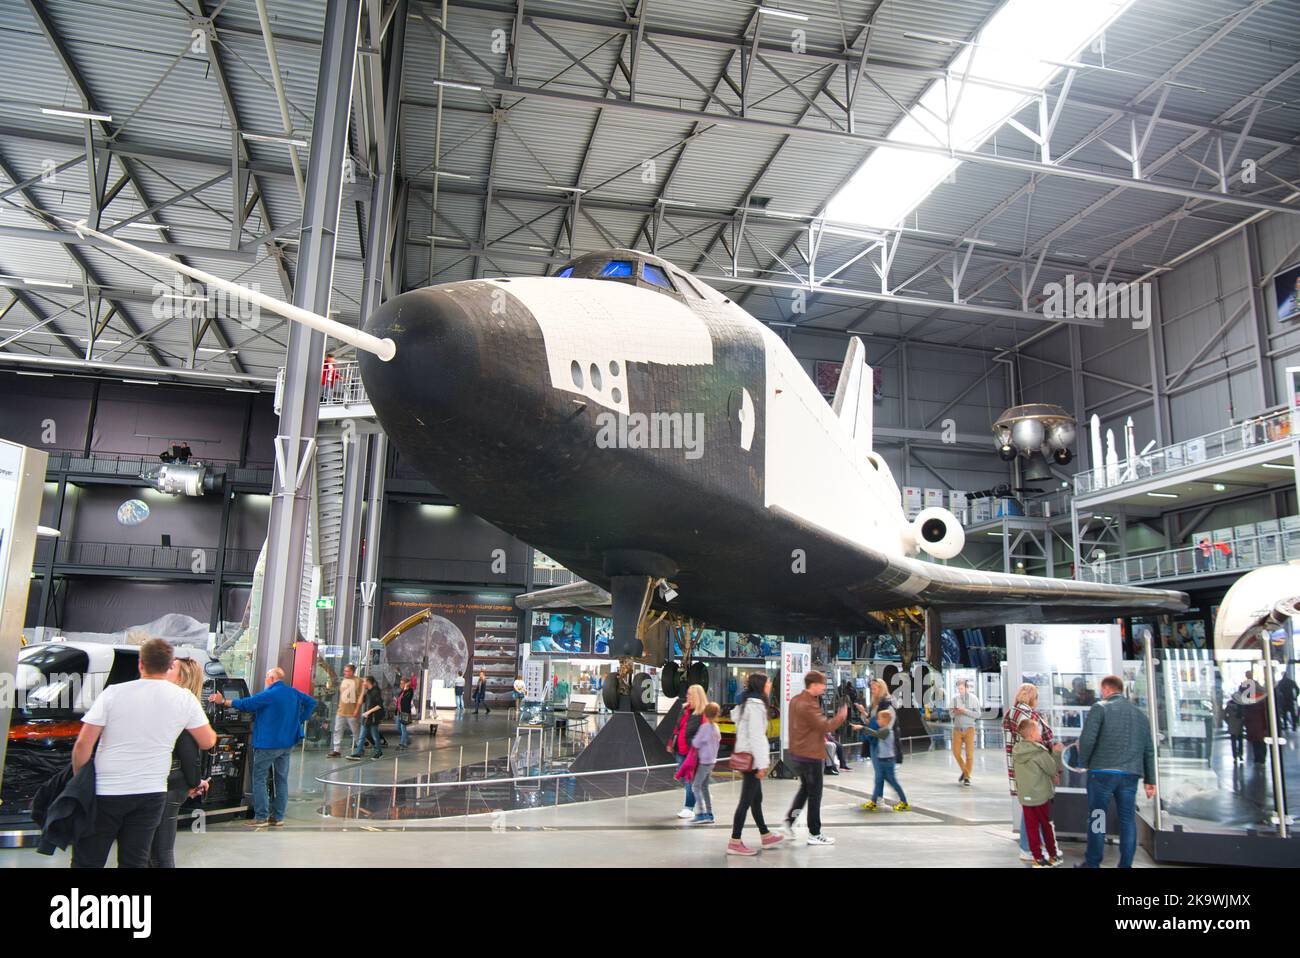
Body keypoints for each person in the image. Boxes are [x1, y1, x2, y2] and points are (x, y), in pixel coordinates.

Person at [70, 638, 217, 867]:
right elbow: (208, 741)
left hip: (106, 790)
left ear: (140, 664)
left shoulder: (113, 693)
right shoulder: (185, 699)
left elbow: (83, 745)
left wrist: (81, 779)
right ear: (169, 665)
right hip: (151, 792)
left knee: (89, 857)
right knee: (136, 859)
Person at [211, 666, 316, 827]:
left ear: (272, 678)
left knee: (259, 779)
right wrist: (298, 720)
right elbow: (311, 702)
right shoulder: (293, 693)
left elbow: (246, 703)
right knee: (281, 780)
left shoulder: (269, 694)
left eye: (267, 677)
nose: (265, 680)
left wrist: (223, 701)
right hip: (286, 744)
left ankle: (261, 817)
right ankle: (278, 817)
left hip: (267, 744)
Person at [1077, 675, 1155, 868]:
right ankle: (1125, 865)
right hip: (1130, 775)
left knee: (1098, 817)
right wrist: (1150, 780)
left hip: (1102, 772)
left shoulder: (1100, 708)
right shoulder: (1140, 715)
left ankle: (1093, 863)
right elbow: (1149, 749)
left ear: (1106, 690)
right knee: (1128, 820)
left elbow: (1088, 740)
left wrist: (1084, 762)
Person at [149, 657, 210, 868]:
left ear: (182, 677)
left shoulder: (183, 705)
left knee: (160, 851)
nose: (165, 668)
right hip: (162, 783)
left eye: (172, 667)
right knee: (152, 850)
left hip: (170, 784)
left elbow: (189, 752)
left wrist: (194, 782)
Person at [784, 670, 847, 845]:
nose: (824, 687)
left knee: (805, 790)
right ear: (814, 684)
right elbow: (824, 726)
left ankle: (790, 821)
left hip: (798, 753)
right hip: (810, 755)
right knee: (815, 794)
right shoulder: (808, 704)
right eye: (822, 684)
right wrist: (841, 717)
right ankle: (814, 832)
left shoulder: (796, 700)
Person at [728, 673, 783, 856]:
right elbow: (757, 737)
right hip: (752, 759)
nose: (770, 685)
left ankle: (765, 835)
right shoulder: (757, 706)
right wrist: (762, 764)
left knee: (756, 799)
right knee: (745, 801)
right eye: (767, 682)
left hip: (746, 755)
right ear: (761, 686)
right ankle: (735, 841)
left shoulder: (745, 705)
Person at [1003, 682, 1056, 862]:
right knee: (1035, 809)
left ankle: (1032, 847)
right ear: (1033, 698)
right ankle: (1030, 848)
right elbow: (1043, 739)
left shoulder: (1010, 713)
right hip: (1035, 767)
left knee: (1028, 808)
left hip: (1019, 765)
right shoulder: (1031, 717)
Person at [1011, 719, 1065, 867]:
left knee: (1031, 827)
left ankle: (1037, 858)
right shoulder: (1038, 752)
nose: (1040, 733)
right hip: (1041, 796)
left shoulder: (1017, 751)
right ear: (1033, 734)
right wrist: (1057, 754)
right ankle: (1053, 855)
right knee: (1046, 826)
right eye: (1038, 730)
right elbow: (1052, 769)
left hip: (1025, 796)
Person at [858, 679, 910, 812]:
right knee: (879, 775)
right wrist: (864, 714)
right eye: (872, 688)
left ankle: (885, 799)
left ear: (881, 688)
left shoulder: (888, 703)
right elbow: (872, 722)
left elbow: (886, 728)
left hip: (884, 746)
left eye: (875, 688)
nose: (873, 691)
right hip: (875, 743)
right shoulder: (876, 704)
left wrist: (868, 729)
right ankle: (877, 798)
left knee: (886, 777)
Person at [669, 684, 707, 819]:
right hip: (680, 749)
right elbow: (677, 727)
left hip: (693, 752)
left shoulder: (703, 713)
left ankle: (689, 807)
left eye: (690, 694)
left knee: (689, 780)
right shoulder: (684, 709)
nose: (687, 696)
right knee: (684, 777)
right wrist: (671, 743)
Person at [691, 703, 722, 825]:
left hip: (704, 761)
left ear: (705, 713)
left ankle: (701, 813)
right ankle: (709, 814)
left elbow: (696, 743)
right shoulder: (716, 727)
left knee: (696, 786)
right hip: (712, 761)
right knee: (704, 787)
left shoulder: (704, 728)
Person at [327, 663, 363, 758]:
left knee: (355, 731)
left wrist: (357, 710)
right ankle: (336, 750)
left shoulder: (358, 681)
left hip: (352, 712)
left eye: (347, 671)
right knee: (337, 730)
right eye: (344, 671)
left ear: (352, 672)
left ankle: (359, 748)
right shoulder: (343, 680)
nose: (345, 673)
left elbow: (360, 697)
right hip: (341, 711)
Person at [950, 678, 980, 787]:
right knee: (956, 752)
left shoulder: (974, 699)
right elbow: (951, 714)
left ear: (967, 688)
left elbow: (978, 715)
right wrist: (955, 712)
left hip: (969, 729)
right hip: (957, 729)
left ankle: (966, 777)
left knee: (969, 754)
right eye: (959, 689)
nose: (960, 691)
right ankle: (965, 771)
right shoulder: (954, 699)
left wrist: (965, 711)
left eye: (962, 688)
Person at [348, 676, 385, 760]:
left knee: (375, 736)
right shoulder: (368, 692)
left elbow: (379, 705)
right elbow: (361, 701)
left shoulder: (376, 691)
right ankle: (358, 752)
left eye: (364, 681)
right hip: (366, 718)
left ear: (368, 682)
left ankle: (378, 752)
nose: (363, 683)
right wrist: (362, 691)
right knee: (362, 736)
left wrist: (368, 712)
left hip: (373, 718)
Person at [394, 677, 414, 751]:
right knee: (398, 728)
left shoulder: (410, 691)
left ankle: (402, 744)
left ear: (406, 684)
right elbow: (399, 701)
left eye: (402, 683)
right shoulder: (402, 691)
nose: (400, 684)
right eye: (400, 683)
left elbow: (406, 699)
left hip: (405, 713)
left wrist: (406, 688)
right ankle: (407, 740)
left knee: (403, 728)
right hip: (399, 712)